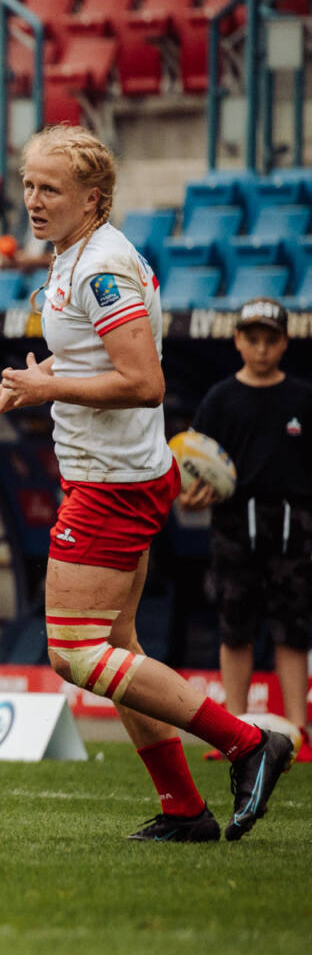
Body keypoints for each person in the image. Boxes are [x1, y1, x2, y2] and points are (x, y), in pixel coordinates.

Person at [0, 124, 294, 842]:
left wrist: (44, 388)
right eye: (27, 184)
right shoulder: (78, 257)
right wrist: (34, 384)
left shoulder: (99, 268)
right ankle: (183, 807)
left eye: (49, 188)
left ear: (94, 198)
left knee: (76, 652)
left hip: (111, 483)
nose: (32, 199)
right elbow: (100, 368)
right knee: (120, 646)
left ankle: (248, 743)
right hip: (112, 473)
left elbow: (144, 383)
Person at [177, 297, 312, 760]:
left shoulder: (302, 398)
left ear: (284, 342)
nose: (260, 348)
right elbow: (194, 466)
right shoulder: (220, 399)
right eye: (251, 339)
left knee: (293, 628)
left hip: (295, 525)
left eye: (270, 339)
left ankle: (299, 730)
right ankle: (233, 729)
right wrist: (189, 493)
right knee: (235, 626)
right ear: (237, 341)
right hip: (234, 523)